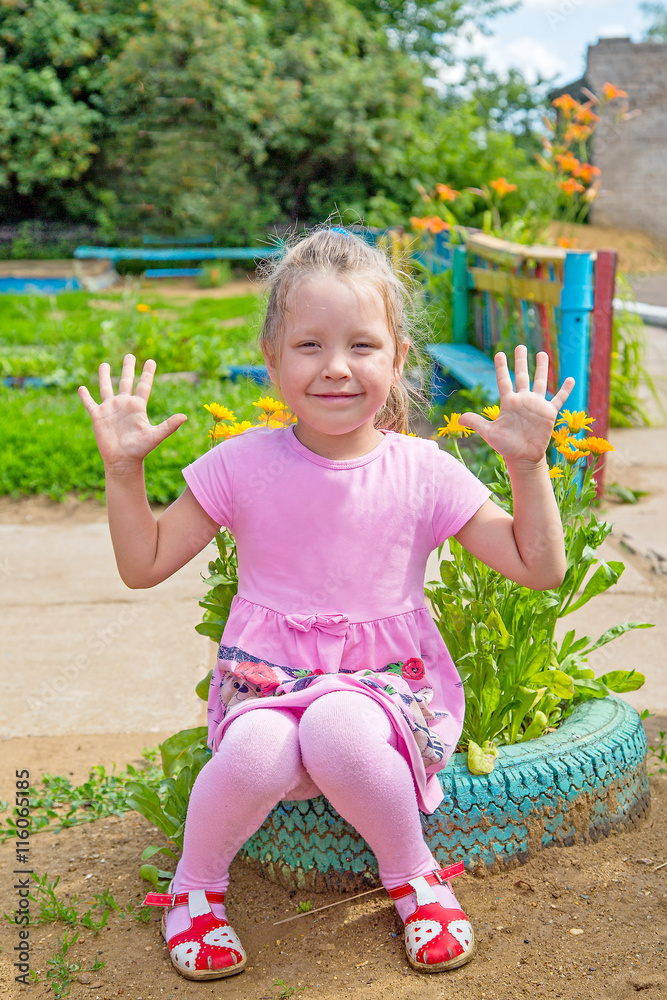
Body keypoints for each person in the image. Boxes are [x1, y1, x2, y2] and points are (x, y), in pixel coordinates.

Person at [78, 228, 574, 982]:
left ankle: (414, 876)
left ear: (399, 358)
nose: (336, 367)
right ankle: (194, 889)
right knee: (256, 752)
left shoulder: (423, 470)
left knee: (341, 727)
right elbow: (143, 563)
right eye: (309, 345)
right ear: (272, 357)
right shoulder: (239, 464)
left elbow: (538, 568)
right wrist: (123, 471)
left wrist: (526, 466)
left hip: (385, 684)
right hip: (267, 682)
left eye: (362, 346)